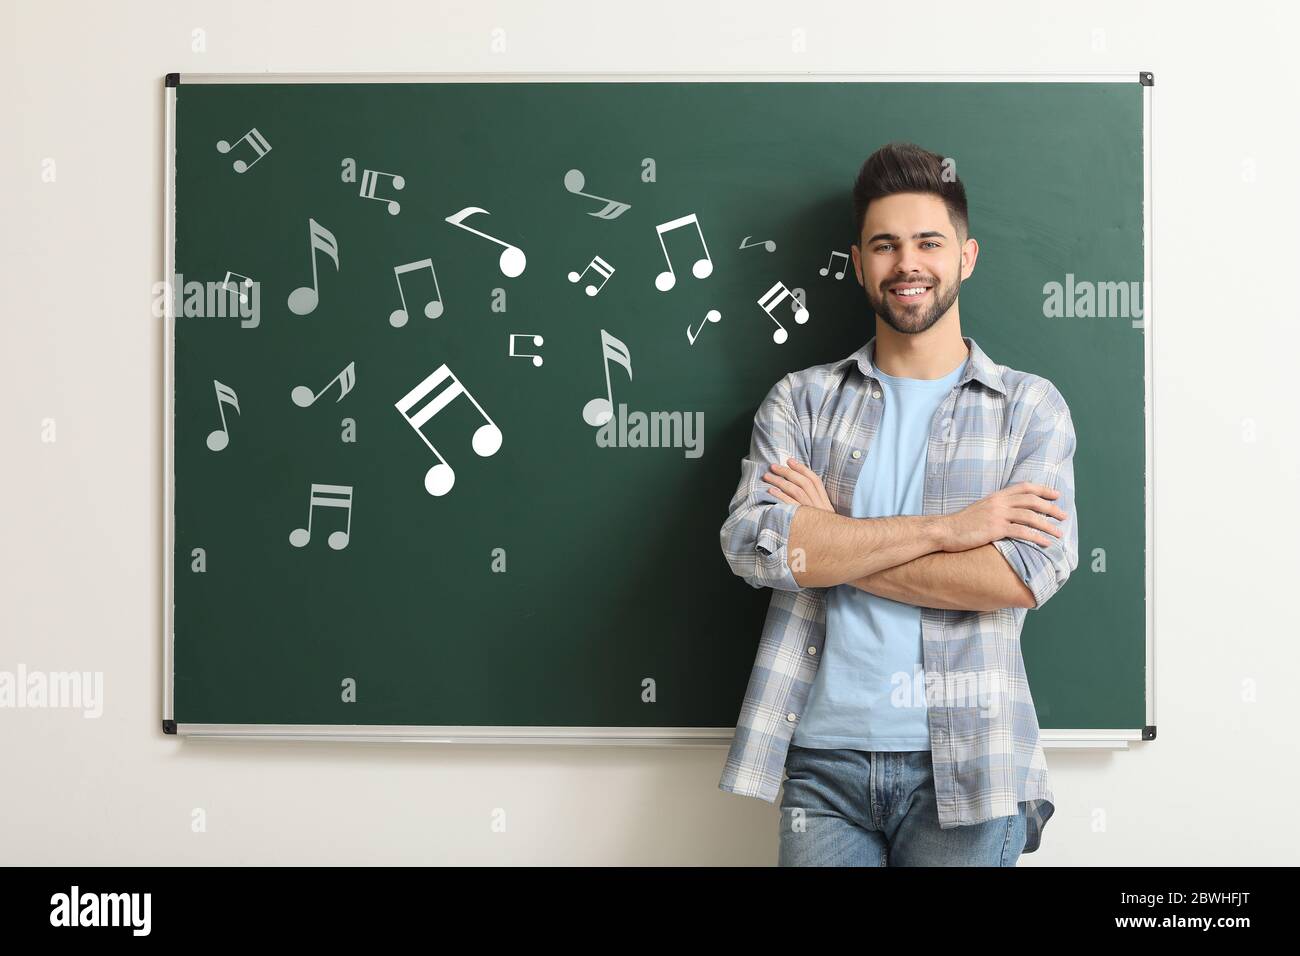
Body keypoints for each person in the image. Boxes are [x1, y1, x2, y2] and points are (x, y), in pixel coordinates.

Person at [717, 141, 1079, 866]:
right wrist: (951, 531)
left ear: (966, 257)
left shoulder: (1027, 409)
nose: (906, 263)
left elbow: (1017, 577)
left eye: (928, 243)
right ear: (858, 263)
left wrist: (832, 545)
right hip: (822, 764)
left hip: (970, 763)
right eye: (885, 245)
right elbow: (756, 546)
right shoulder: (803, 402)